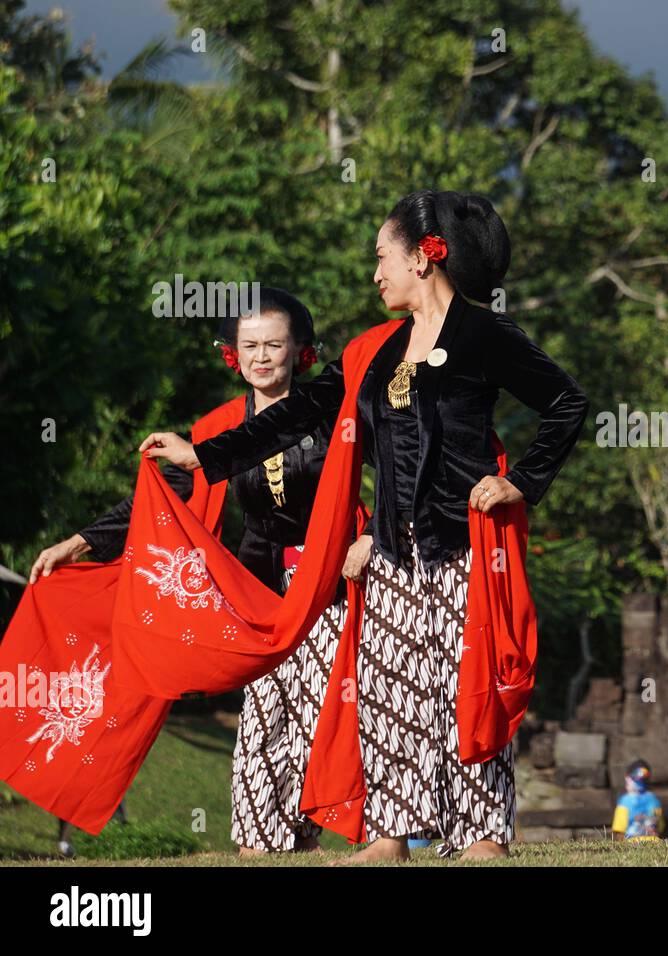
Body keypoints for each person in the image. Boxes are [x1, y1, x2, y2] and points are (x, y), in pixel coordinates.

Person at [138, 190, 589, 861]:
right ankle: (389, 836)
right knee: (387, 690)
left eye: (384, 257)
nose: (375, 273)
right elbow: (293, 415)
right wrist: (203, 455)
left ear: (425, 256)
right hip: (388, 552)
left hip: (466, 549)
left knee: (463, 684)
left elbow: (567, 403)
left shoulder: (485, 337)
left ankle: (481, 834)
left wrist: (520, 481)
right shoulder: (370, 352)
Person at [28, 288, 349, 855]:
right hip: (256, 598)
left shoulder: (334, 411)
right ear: (233, 354)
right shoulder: (217, 427)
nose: (262, 357)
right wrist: (78, 543)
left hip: (331, 585)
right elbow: (158, 503)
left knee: (316, 720)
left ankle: (305, 840)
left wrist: (369, 536)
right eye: (249, 346)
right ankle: (256, 843)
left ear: (300, 351)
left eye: (275, 344)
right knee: (261, 726)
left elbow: (397, 469)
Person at [612, 760, 664, 842]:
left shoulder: (625, 801)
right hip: (654, 842)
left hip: (631, 842)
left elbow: (619, 831)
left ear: (628, 779)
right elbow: (660, 828)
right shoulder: (654, 800)